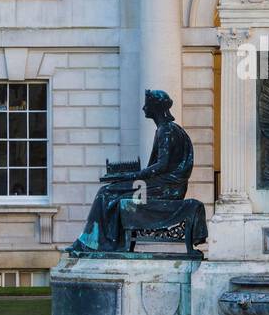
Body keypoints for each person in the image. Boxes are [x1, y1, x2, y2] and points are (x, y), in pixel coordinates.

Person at [70, 90, 206, 253]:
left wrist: (129, 175)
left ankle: (96, 243)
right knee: (110, 191)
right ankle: (100, 241)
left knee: (105, 192)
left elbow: (161, 167)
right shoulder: (168, 129)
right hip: (164, 185)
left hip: (166, 189)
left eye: (146, 104)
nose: (143, 108)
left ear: (154, 107)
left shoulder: (166, 130)